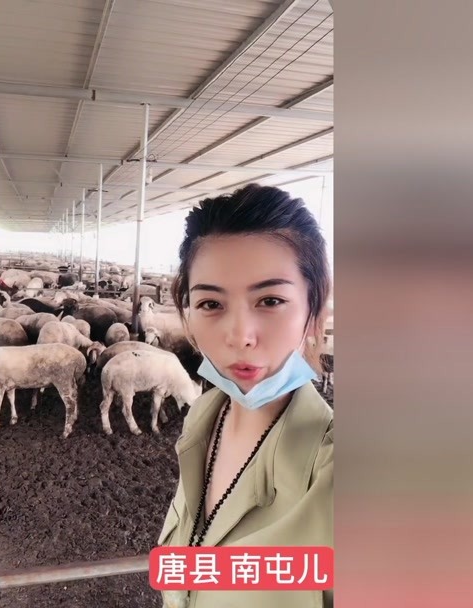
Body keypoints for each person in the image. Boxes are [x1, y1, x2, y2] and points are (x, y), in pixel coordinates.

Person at [155, 184, 334, 608]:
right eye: (211, 304)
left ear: (314, 314)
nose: (240, 337)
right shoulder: (201, 419)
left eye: (270, 300)